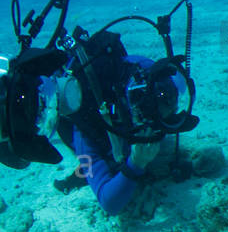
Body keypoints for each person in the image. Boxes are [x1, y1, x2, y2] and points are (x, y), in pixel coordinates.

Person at [1, 34, 190, 216]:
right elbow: (110, 203)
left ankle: (89, 169)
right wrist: (136, 164)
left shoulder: (109, 65)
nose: (51, 104)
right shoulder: (83, 133)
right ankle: (87, 170)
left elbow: (141, 68)